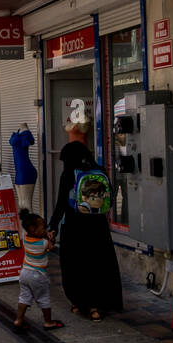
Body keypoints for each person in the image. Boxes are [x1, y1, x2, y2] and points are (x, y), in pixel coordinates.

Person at [48, 121, 122, 322]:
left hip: (75, 226)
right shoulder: (99, 169)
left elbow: (61, 203)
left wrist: (52, 227)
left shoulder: (69, 174)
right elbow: (110, 200)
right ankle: (96, 307)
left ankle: (77, 303)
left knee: (75, 266)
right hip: (98, 226)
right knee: (97, 265)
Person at [15, 209, 63, 331]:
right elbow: (51, 247)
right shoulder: (43, 243)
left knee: (24, 297)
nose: (45, 230)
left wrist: (44, 235)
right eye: (43, 228)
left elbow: (40, 238)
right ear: (32, 229)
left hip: (24, 273)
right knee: (43, 297)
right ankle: (48, 322)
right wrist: (51, 238)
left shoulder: (25, 239)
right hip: (38, 275)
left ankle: (19, 320)